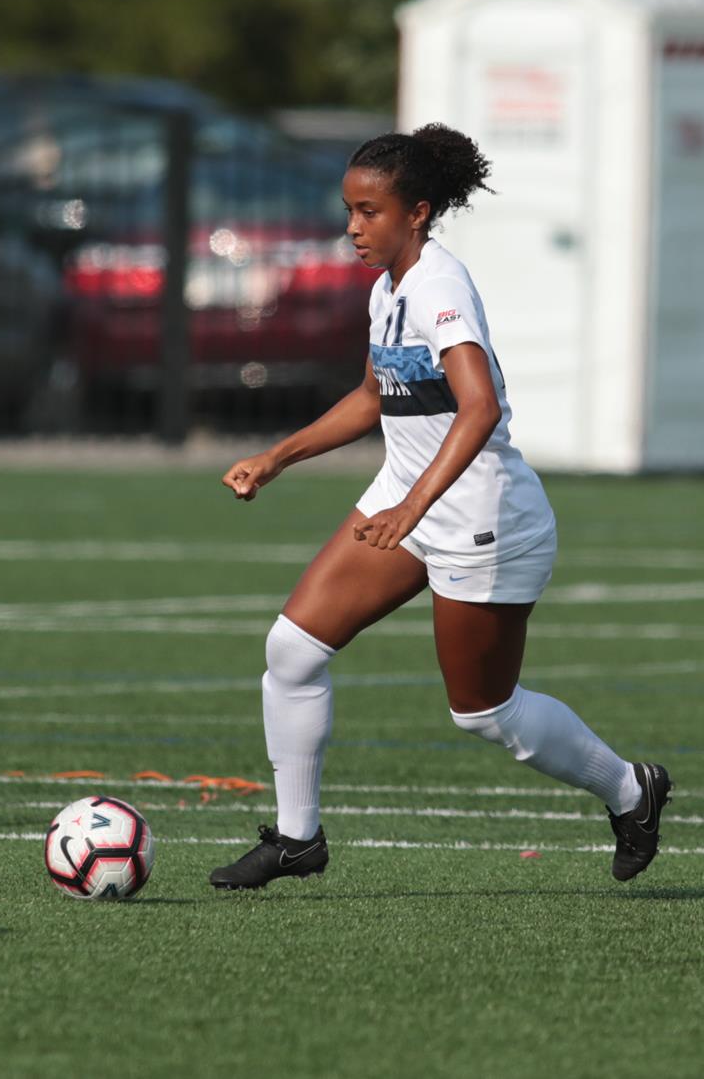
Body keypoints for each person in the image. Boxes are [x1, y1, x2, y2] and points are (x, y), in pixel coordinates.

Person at [209, 124, 669, 889]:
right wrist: (276, 457)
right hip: (412, 501)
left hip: (484, 520)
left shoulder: (439, 286)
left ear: (417, 212)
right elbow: (370, 396)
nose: (354, 227)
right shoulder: (387, 287)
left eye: (370, 212)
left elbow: (479, 407)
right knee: (291, 652)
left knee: (486, 712)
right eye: (349, 211)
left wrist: (414, 509)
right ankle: (297, 839)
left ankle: (631, 789)